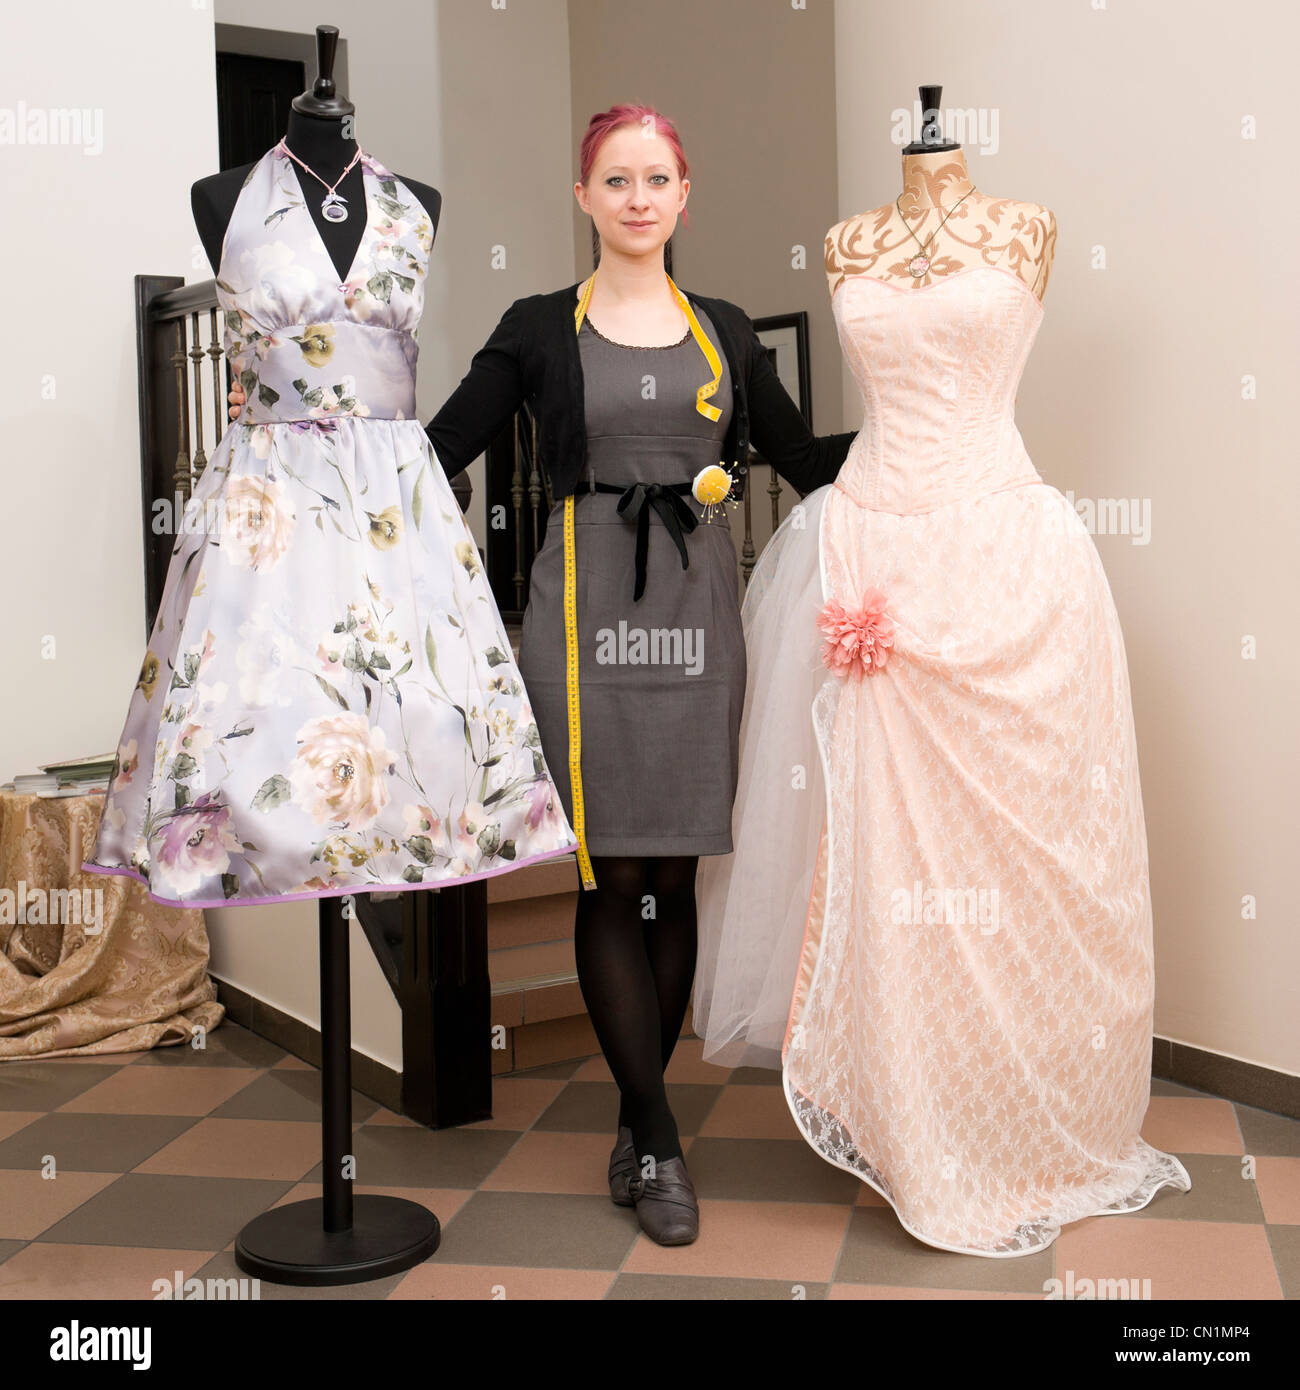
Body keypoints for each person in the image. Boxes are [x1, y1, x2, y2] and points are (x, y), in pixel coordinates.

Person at [230, 103, 854, 1245]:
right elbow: (440, 447)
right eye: (614, 180)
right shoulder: (534, 327)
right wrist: (303, 432)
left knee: (673, 875)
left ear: (681, 192)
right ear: (584, 198)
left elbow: (806, 459)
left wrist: (933, 440)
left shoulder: (723, 328)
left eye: (655, 178)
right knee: (610, 880)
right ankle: (659, 1139)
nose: (636, 198)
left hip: (699, 620)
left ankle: (637, 1116)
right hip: (578, 619)